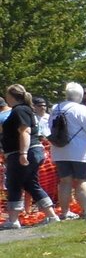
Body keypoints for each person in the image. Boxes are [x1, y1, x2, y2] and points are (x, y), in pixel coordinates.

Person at [3, 85, 60, 227]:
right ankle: (51, 216)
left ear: (11, 96)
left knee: (14, 183)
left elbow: (25, 131)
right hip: (33, 152)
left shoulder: (19, 110)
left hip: (23, 152)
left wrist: (23, 153)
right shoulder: (26, 109)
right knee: (30, 184)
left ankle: (13, 220)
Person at [46, 82, 86, 220]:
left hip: (59, 149)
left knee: (65, 182)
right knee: (82, 181)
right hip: (79, 150)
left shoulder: (55, 108)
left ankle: (64, 212)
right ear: (80, 96)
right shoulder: (81, 109)